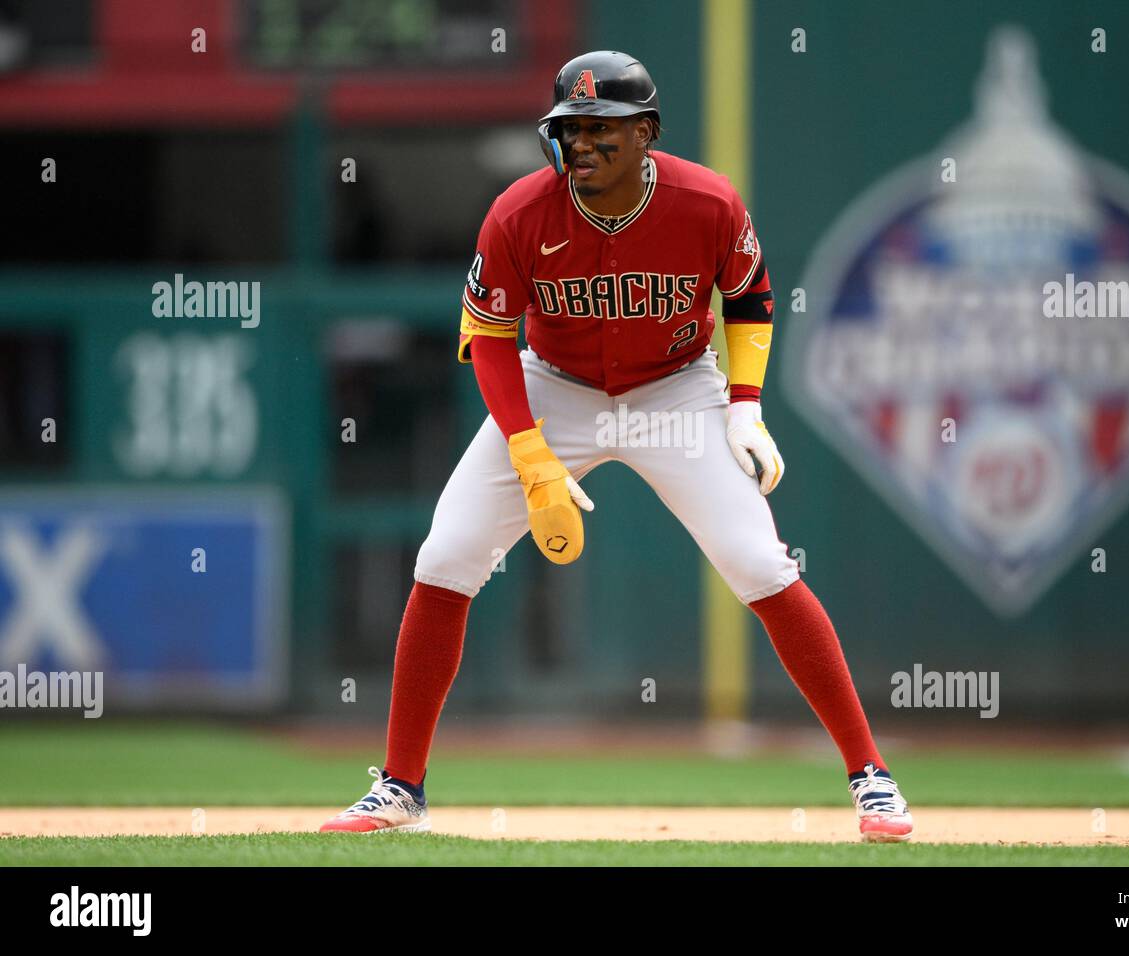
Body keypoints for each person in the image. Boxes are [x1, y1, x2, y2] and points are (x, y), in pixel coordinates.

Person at [320, 51, 912, 843]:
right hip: (555, 386)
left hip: (675, 388)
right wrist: (530, 452)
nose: (583, 145)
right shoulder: (520, 213)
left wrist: (744, 406)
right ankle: (399, 787)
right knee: (447, 556)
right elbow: (490, 338)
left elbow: (750, 297)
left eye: (602, 130)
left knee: (760, 563)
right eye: (570, 129)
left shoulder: (705, 201)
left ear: (647, 134)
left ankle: (870, 776)